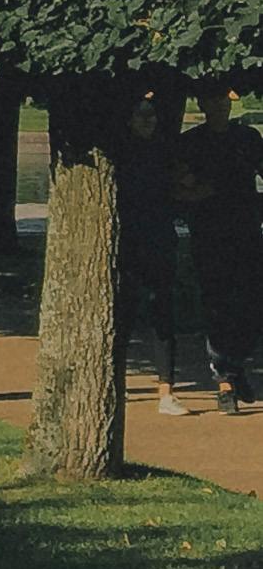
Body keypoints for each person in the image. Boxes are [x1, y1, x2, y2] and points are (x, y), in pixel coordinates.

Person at [178, 93, 263, 418]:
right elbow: (175, 186)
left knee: (252, 304)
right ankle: (224, 381)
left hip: (247, 233)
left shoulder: (247, 137)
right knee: (218, 303)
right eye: (214, 100)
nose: (221, 105)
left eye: (225, 99)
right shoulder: (192, 143)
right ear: (203, 104)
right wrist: (196, 193)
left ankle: (236, 364)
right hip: (209, 237)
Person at [120, 82, 185, 413]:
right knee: (124, 312)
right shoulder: (120, 155)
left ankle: (166, 391)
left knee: (162, 314)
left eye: (153, 115)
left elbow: (177, 190)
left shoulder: (163, 152)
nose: (149, 120)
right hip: (128, 245)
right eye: (142, 115)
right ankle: (116, 381)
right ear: (129, 119)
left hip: (160, 241)